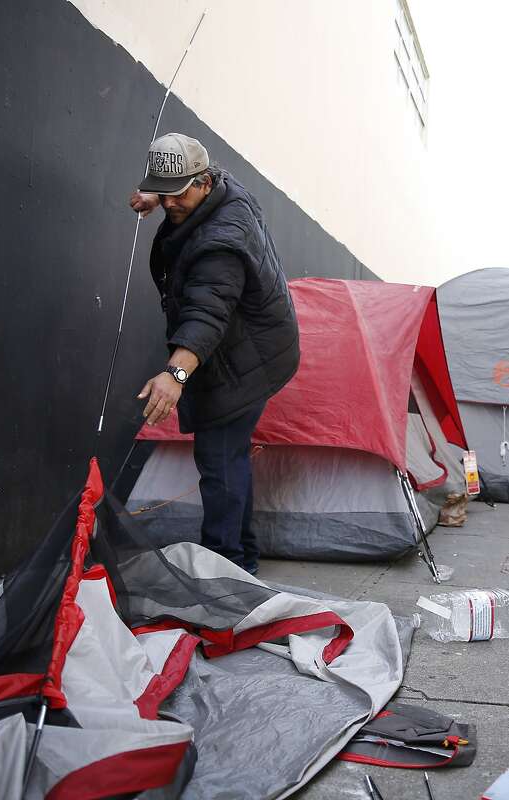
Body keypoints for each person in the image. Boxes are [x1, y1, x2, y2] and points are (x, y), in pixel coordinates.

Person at [129, 132, 299, 575]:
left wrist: (175, 376)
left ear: (204, 182)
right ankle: (242, 559)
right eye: (163, 193)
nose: (170, 205)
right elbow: (180, 191)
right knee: (229, 456)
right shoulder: (218, 187)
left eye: (177, 194)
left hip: (244, 359)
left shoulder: (222, 242)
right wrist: (158, 195)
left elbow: (207, 314)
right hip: (245, 347)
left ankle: (224, 569)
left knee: (219, 459)